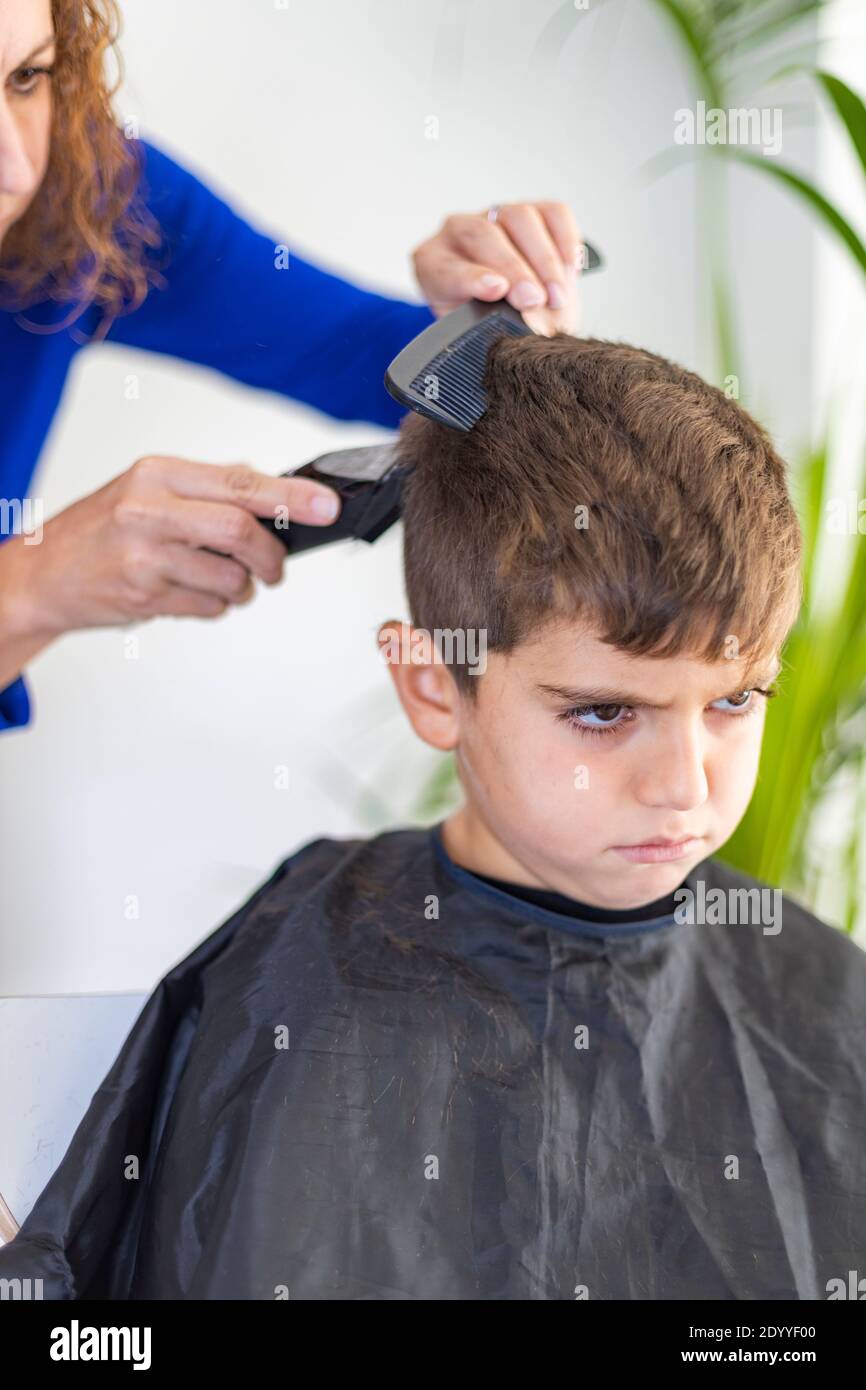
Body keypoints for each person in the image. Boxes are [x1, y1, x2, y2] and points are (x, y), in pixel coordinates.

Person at [3, 328, 863, 1300]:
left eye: (733, 700)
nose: (683, 783)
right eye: (601, 711)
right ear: (431, 686)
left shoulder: (823, 994)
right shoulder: (297, 970)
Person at [0, 0, 583, 733]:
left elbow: (368, 363)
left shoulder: (77, 195)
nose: (18, 167)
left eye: (27, 76)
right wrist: (25, 590)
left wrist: (485, 310)